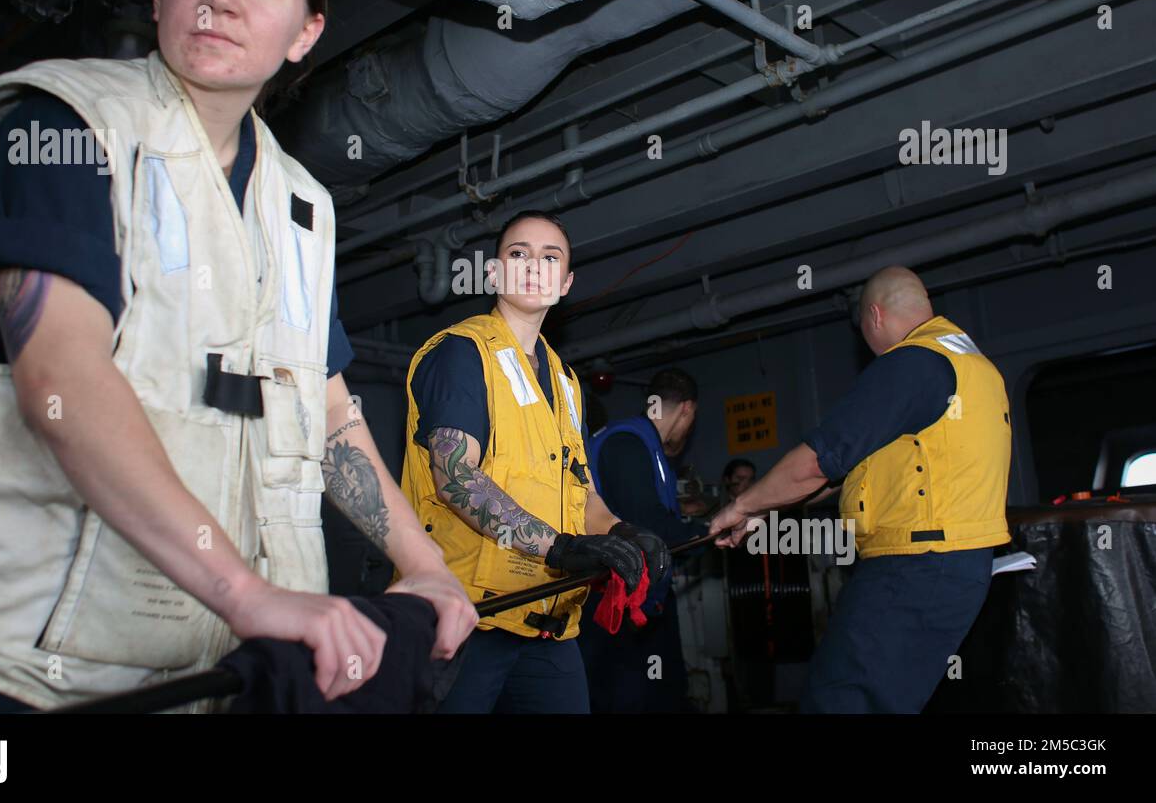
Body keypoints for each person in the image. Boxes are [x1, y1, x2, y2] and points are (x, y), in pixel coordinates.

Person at [0, 0, 475, 713]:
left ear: (305, 34)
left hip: (194, 674)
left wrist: (426, 567)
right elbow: (61, 376)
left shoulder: (300, 207)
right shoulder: (68, 128)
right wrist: (246, 595)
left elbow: (325, 416)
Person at [399, 210, 669, 713]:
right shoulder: (463, 352)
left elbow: (580, 490)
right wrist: (559, 548)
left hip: (548, 624)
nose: (533, 266)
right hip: (465, 621)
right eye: (517, 253)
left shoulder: (566, 383)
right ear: (495, 272)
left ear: (565, 282)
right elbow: (456, 478)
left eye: (550, 257)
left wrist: (621, 533)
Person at [709, 266, 1011, 713]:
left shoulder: (911, 362)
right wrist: (762, 514)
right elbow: (849, 475)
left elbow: (816, 462)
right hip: (956, 564)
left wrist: (740, 506)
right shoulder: (973, 366)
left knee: (839, 701)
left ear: (873, 315)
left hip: (915, 565)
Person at [581, 367, 707, 712]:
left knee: (662, 692)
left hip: (641, 598)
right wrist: (707, 533)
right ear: (688, 409)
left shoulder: (645, 447)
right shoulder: (627, 442)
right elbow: (644, 520)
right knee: (637, 698)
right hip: (618, 605)